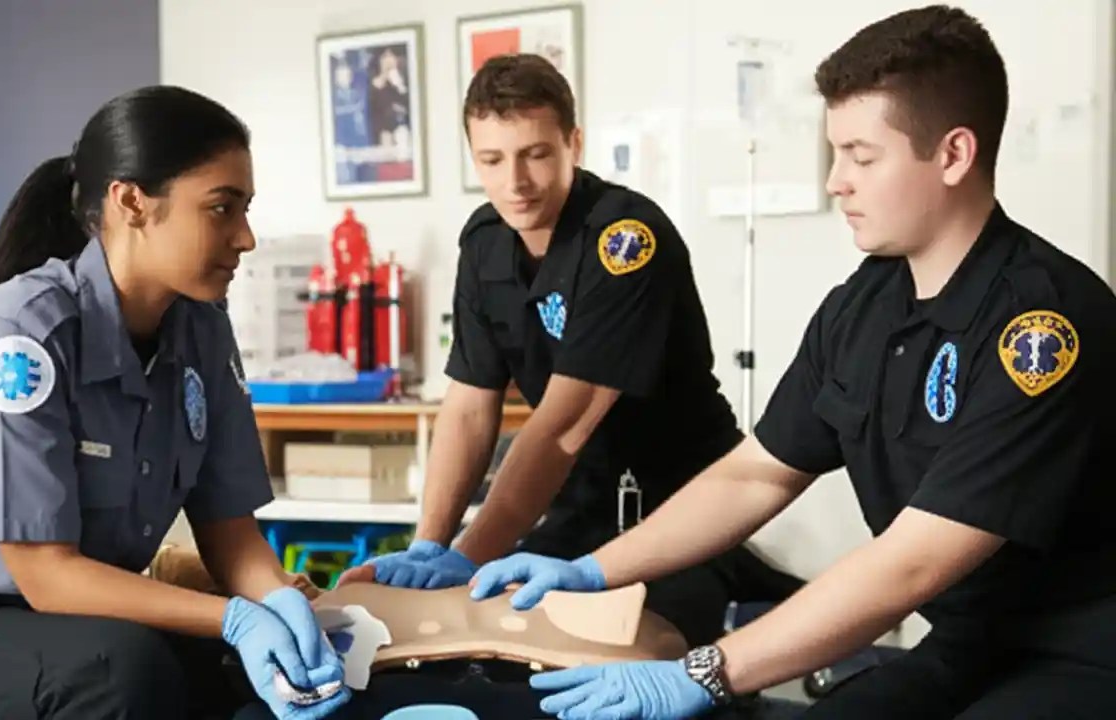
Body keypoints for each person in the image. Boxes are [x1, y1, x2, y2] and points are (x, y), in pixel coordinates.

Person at [469, 6, 1116, 719]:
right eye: (834, 153)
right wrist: (590, 570)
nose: (835, 181)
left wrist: (708, 669)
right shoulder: (861, 309)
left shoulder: (1043, 329)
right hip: (970, 639)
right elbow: (758, 473)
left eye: (862, 156)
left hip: (1082, 652)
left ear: (954, 155)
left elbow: (913, 562)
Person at [0, 86, 350, 720]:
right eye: (222, 208)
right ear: (132, 201)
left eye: (246, 209)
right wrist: (236, 618)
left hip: (72, 626)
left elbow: (230, 535)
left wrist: (280, 605)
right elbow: (45, 575)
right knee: (123, 671)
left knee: (242, 679)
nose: (245, 237)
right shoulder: (19, 338)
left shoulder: (203, 334)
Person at [340, 53, 802, 648]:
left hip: (682, 508)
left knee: (636, 656)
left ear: (573, 143)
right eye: (492, 160)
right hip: (579, 506)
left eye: (536, 154)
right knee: (491, 645)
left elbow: (565, 425)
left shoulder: (626, 239)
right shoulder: (484, 244)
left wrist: (473, 551)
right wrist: (433, 545)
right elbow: (469, 407)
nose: (516, 182)